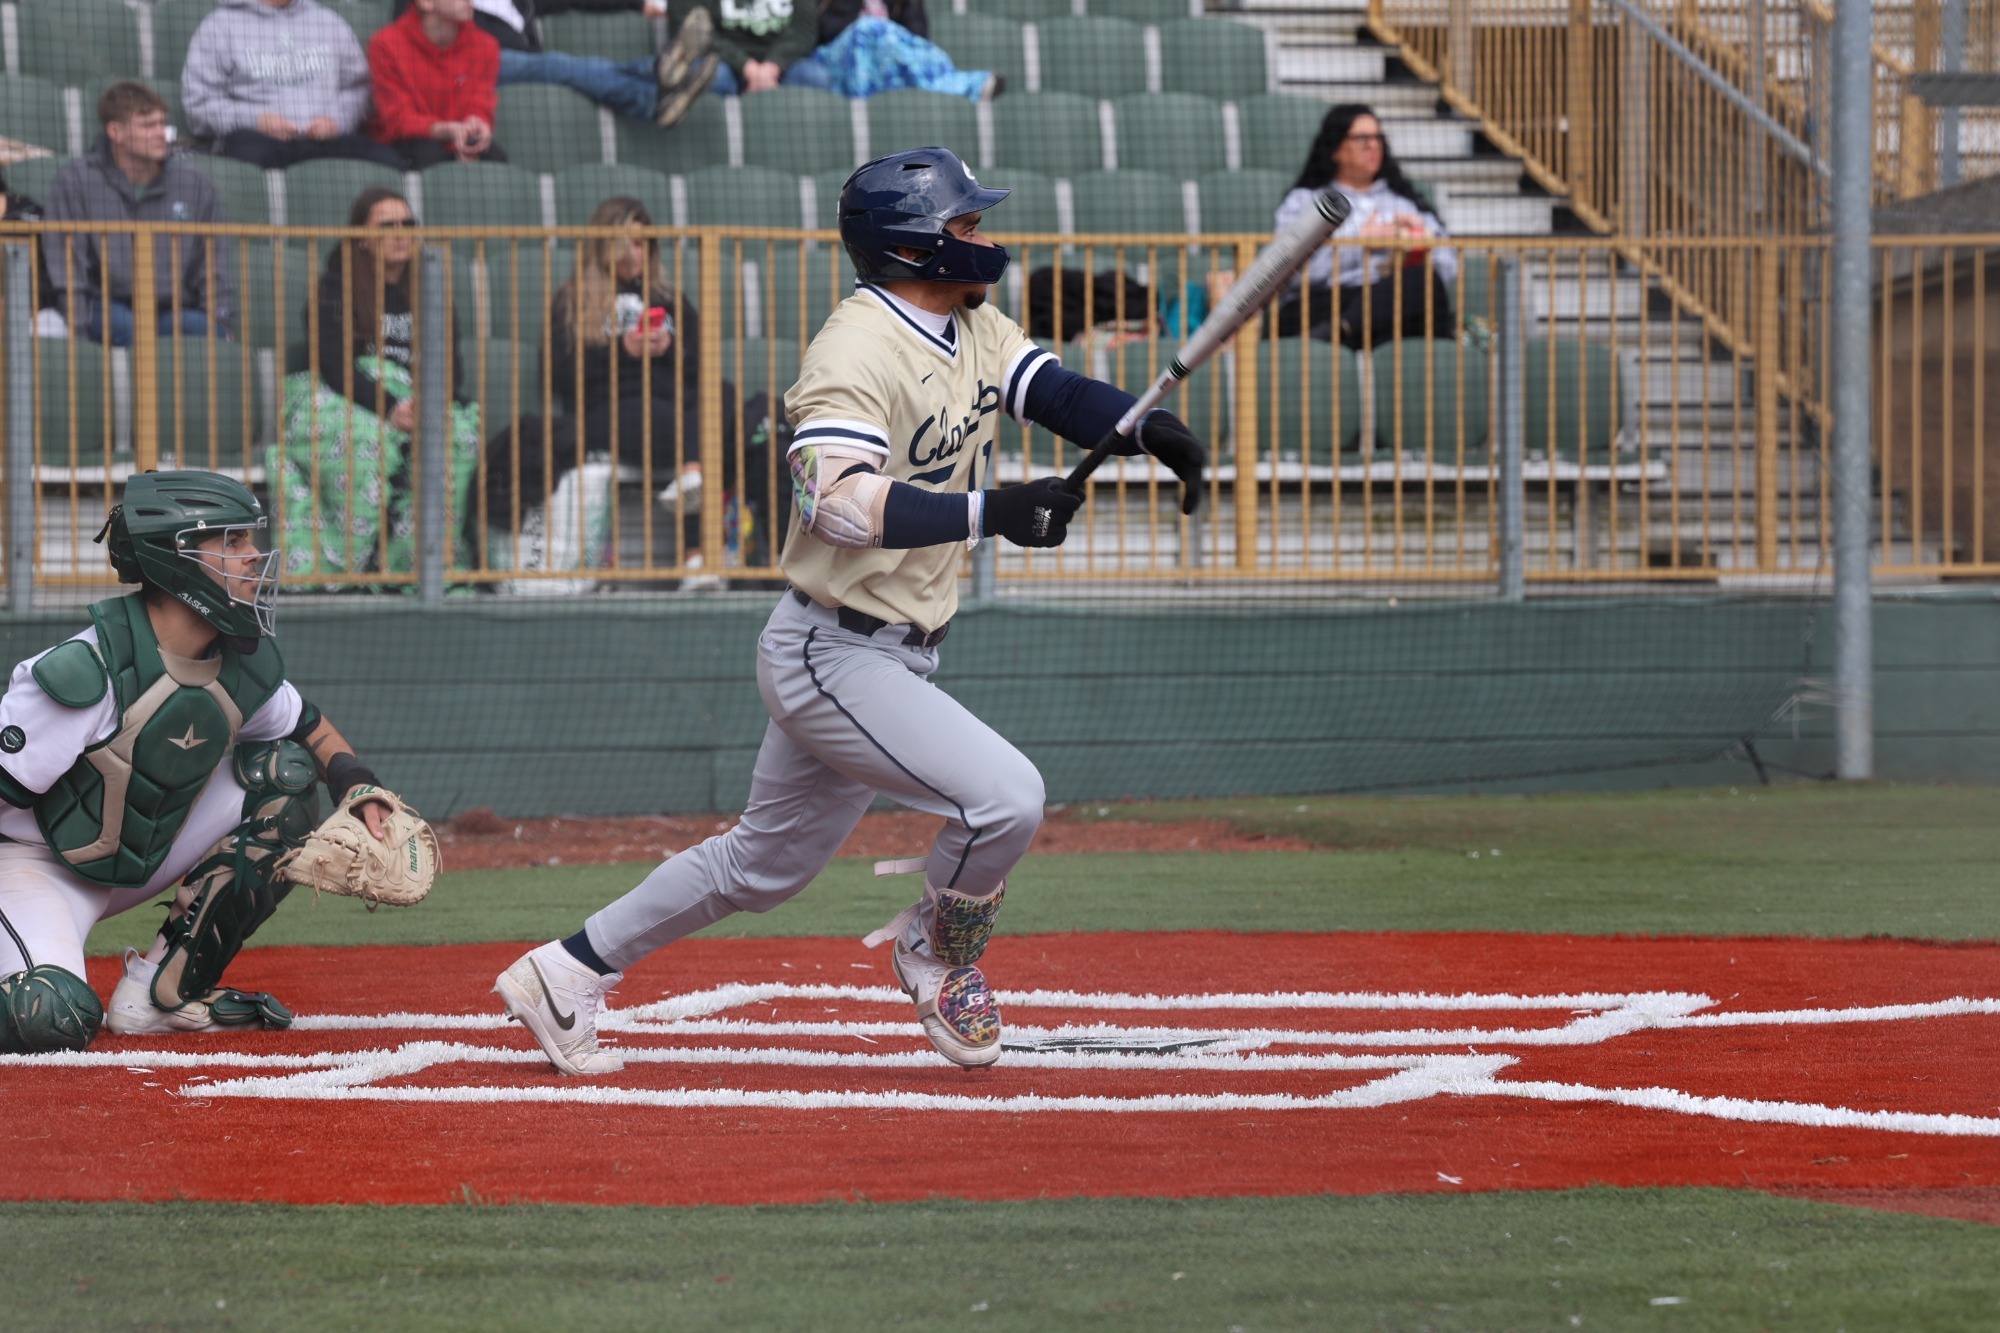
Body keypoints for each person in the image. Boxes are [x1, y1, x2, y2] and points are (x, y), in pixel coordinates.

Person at [493, 146, 1207, 1076]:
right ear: (911, 246)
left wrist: (1152, 428)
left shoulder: (973, 323)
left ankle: (565, 969)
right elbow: (838, 503)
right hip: (834, 650)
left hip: (885, 650)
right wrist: (992, 512)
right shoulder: (853, 349)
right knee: (1005, 799)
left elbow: (1057, 392)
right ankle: (936, 953)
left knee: (761, 867)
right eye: (963, 224)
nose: (981, 238)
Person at [0, 471, 402, 1052]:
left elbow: (305, 726)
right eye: (232, 541)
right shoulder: (84, 670)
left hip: (138, 855)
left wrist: (359, 786)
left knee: (284, 780)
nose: (254, 556)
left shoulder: (239, 662)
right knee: (52, 1016)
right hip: (34, 868)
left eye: (250, 540)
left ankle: (159, 995)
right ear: (176, 557)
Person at [544, 195, 757, 589]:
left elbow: (701, 365)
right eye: (630, 242)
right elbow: (558, 373)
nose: (637, 253)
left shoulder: (668, 298)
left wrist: (668, 347)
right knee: (690, 426)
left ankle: (692, 484)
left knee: (720, 392)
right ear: (606, 244)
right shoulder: (572, 300)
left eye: (645, 243)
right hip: (606, 409)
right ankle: (697, 554)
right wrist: (621, 349)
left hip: (673, 404)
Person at [271, 188, 482, 580]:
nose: (401, 233)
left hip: (417, 403)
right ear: (363, 238)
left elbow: (451, 367)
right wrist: (389, 407)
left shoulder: (431, 287)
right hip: (356, 400)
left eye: (408, 224)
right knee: (364, 444)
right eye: (388, 225)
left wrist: (428, 404)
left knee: (459, 438)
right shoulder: (336, 289)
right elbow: (335, 365)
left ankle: (413, 569)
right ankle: (343, 567)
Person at [44, 82, 235, 348]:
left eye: (161, 124)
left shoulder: (195, 184)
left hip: (173, 307)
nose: (161, 134)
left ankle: (301, 391)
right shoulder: (75, 181)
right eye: (148, 126)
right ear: (115, 132)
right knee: (129, 329)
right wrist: (78, 329)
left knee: (206, 332)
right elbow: (67, 267)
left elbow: (215, 265)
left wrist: (221, 323)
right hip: (105, 305)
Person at [1274, 103, 1457, 349]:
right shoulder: (1304, 201)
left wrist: (1417, 242)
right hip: (1324, 302)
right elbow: (1287, 273)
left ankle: (1340, 330)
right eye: (1362, 138)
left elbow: (1448, 267)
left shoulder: (1404, 204)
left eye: (1378, 137)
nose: (1373, 145)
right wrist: (1359, 243)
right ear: (1335, 148)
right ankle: (1343, 327)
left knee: (1424, 283)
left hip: (1390, 303)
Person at [391, 0, 719, 128]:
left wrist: (639, 2)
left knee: (562, 65)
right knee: (555, 65)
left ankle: (653, 92)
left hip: (516, 66)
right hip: (464, 70)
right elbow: (407, 34)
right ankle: (656, 74)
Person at [181, 0, 410, 171]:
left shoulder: (327, 21)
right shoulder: (218, 27)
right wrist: (255, 120)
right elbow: (199, 103)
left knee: (389, 161)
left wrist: (337, 119)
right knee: (241, 156)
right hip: (258, 142)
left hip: (325, 141)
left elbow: (359, 88)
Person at [368, 0, 509, 168]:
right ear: (426, 3)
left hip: (460, 140)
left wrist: (476, 123)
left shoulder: (486, 46)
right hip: (407, 144)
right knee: (428, 153)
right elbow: (399, 120)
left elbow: (480, 103)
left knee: (493, 158)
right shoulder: (385, 44)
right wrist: (447, 130)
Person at [801, 0, 999, 103]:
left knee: (891, 38)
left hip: (886, 62)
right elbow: (822, 30)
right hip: (838, 57)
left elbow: (917, 39)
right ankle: (960, 84)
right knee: (868, 28)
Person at [670, 0, 828, 96]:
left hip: (781, 64)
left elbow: (804, 31)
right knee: (714, 78)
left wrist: (772, 67)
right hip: (723, 60)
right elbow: (690, 28)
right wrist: (747, 68)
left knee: (814, 76)